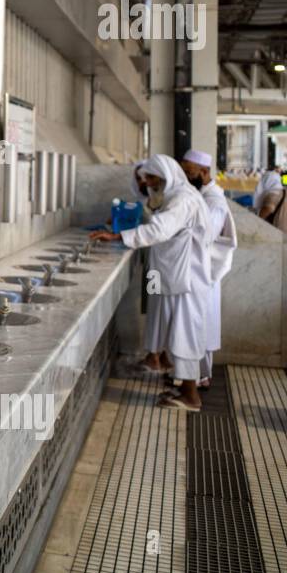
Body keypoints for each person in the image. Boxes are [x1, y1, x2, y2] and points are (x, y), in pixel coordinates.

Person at [91, 155, 212, 411]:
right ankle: (183, 389)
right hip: (180, 277)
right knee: (178, 334)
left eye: (152, 178)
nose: (149, 184)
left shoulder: (183, 199)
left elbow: (160, 229)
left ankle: (191, 398)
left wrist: (118, 236)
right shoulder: (177, 196)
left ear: (164, 174)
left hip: (188, 280)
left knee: (184, 336)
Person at [178, 150, 237, 394]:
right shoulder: (201, 196)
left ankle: (201, 376)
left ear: (204, 173)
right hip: (195, 272)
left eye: (189, 172)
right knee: (196, 324)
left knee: (201, 324)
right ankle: (191, 374)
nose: (186, 176)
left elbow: (205, 235)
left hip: (204, 275)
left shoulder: (214, 202)